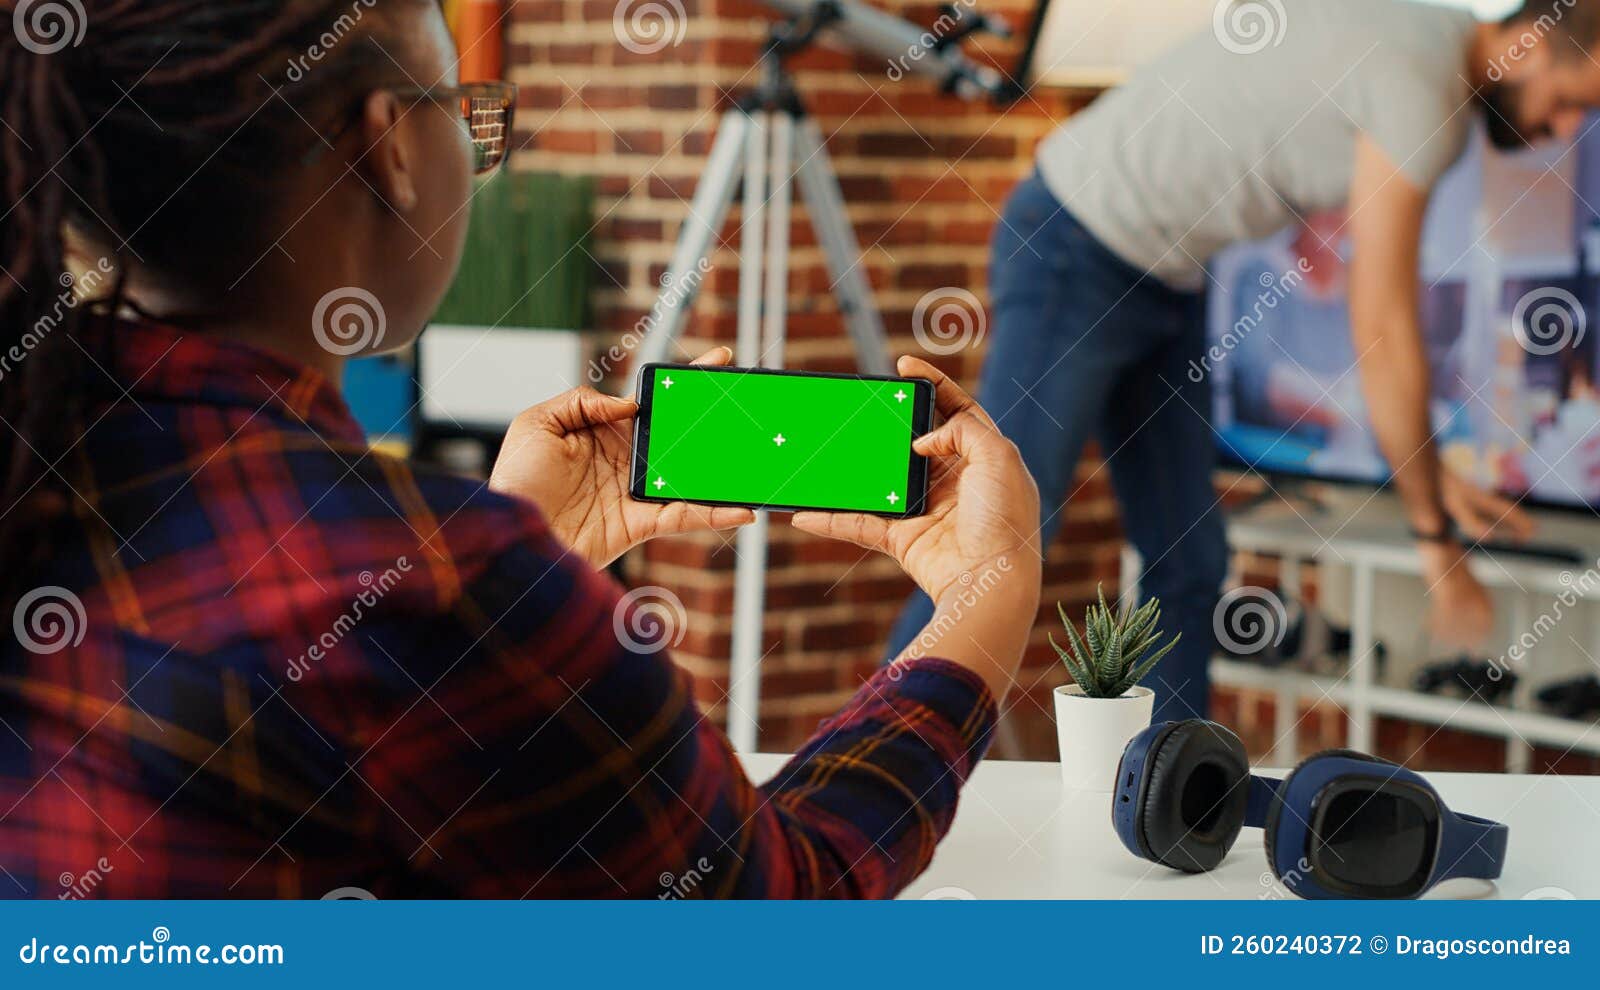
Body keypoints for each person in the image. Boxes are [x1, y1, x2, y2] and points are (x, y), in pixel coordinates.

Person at [0, 0, 1040, 897]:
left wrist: (519, 547)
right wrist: (984, 595)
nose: (476, 147)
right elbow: (761, 905)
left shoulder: (43, 453)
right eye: (465, 110)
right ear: (389, 148)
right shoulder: (436, 587)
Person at [887, 0, 1600, 722]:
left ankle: (1167, 782)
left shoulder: (1422, 47)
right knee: (1000, 535)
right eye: (1573, 101)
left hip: (1168, 276)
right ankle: (872, 771)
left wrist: (1432, 474)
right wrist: (1435, 542)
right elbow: (1383, 321)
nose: (1566, 128)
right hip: (1077, 246)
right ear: (1533, 46)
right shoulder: (1425, 85)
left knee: (1188, 560)